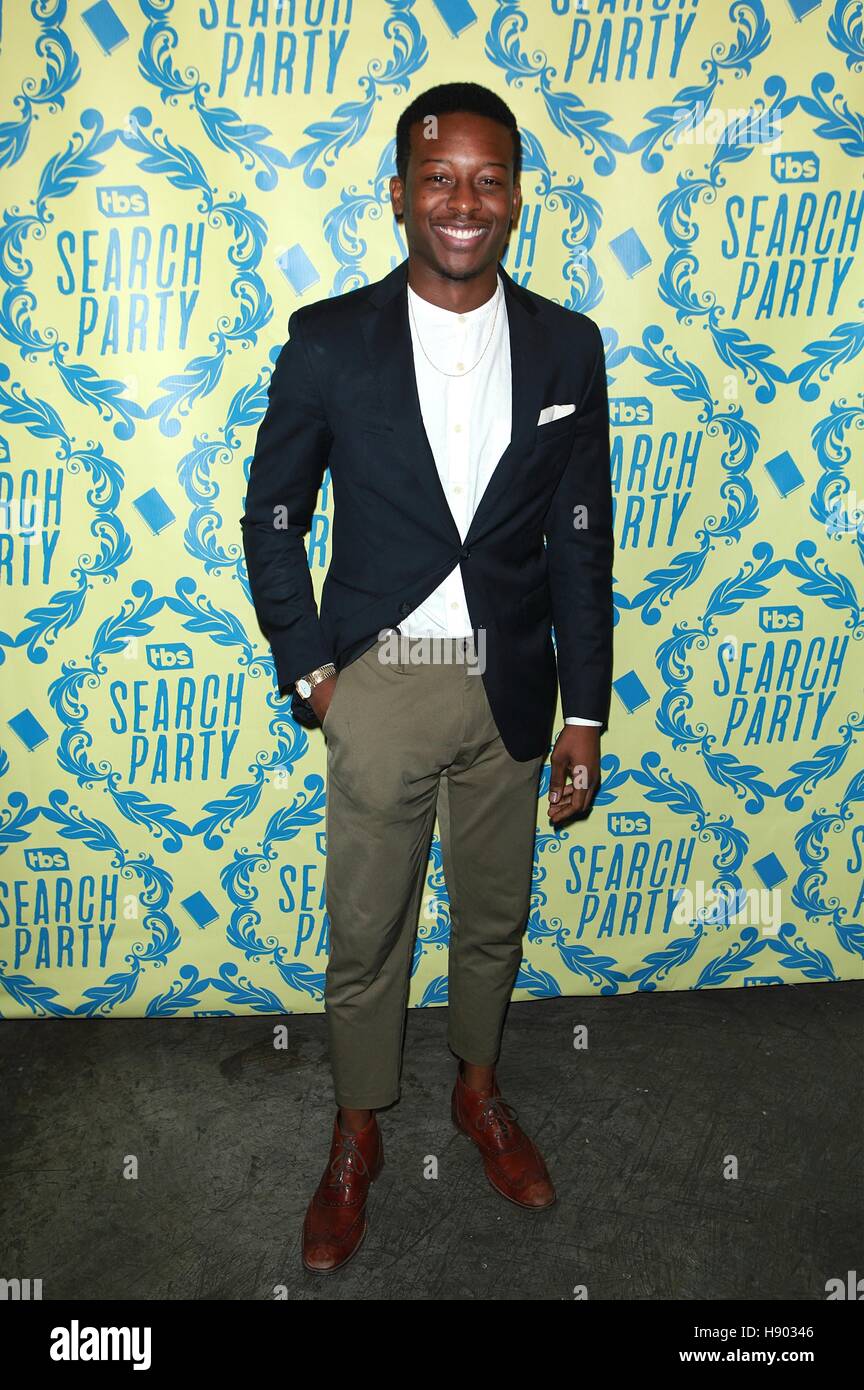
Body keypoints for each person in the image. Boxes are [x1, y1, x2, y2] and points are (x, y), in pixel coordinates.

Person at [240, 81, 613, 1274]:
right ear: (399, 195)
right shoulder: (328, 337)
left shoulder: (568, 344)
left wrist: (586, 711)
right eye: (439, 177)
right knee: (368, 932)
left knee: (494, 918)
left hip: (511, 680)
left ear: (515, 196)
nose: (465, 199)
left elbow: (580, 536)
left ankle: (479, 1092)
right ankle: (357, 1133)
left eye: (489, 178)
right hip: (386, 676)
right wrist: (315, 675)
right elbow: (273, 515)